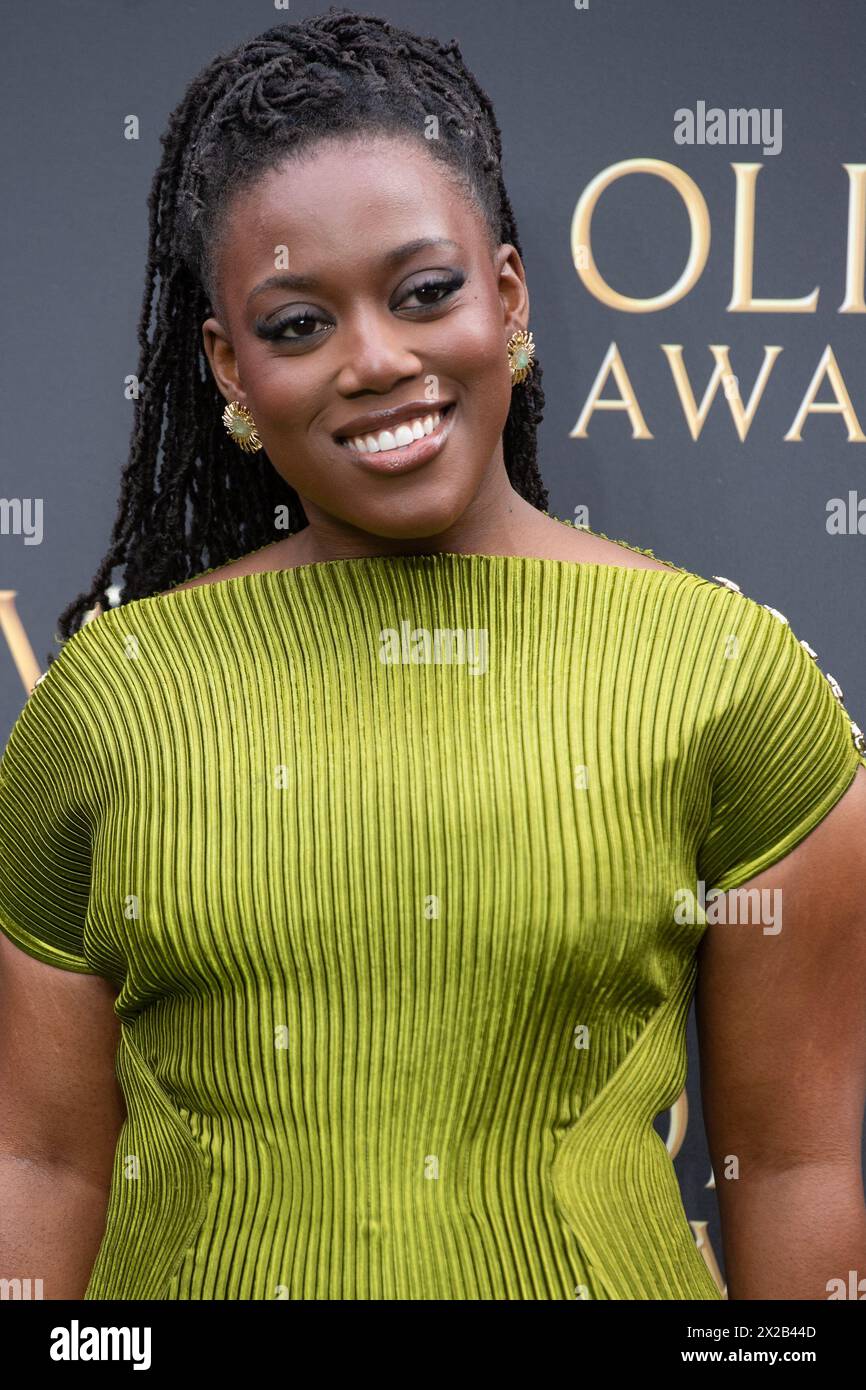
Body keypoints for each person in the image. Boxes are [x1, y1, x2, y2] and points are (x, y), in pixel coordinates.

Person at [1, 7, 865, 1302]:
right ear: (230, 371)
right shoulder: (112, 703)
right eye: (298, 325)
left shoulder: (728, 679)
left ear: (506, 297)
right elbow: (45, 1166)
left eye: (423, 292)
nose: (377, 360)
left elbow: (791, 1169)